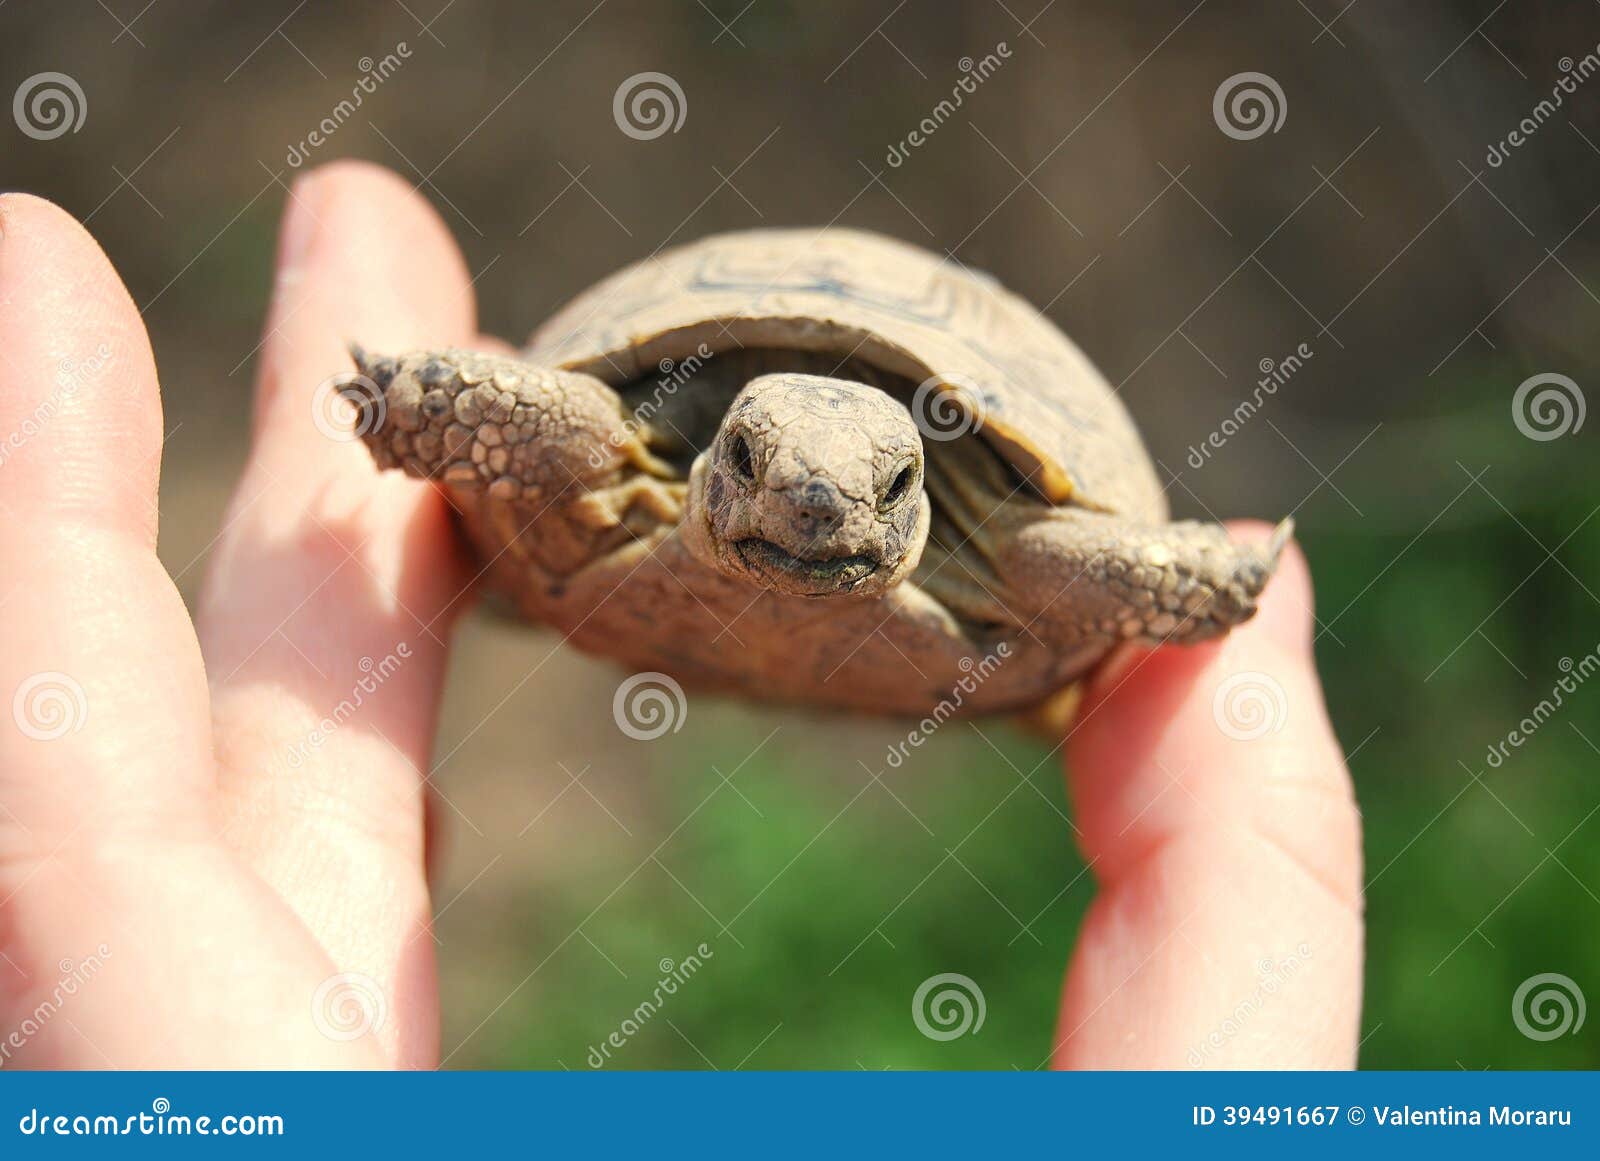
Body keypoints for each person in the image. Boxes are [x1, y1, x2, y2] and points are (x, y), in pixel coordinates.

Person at [0, 164, 1363, 1069]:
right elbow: (575, 415)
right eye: (769, 475)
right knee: (575, 435)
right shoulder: (622, 447)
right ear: (721, 457)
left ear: (915, 481)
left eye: (873, 494)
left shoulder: (1019, 542)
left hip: (799, 590)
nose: (817, 510)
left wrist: (1188, 583)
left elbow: (1080, 550)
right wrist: (430, 410)